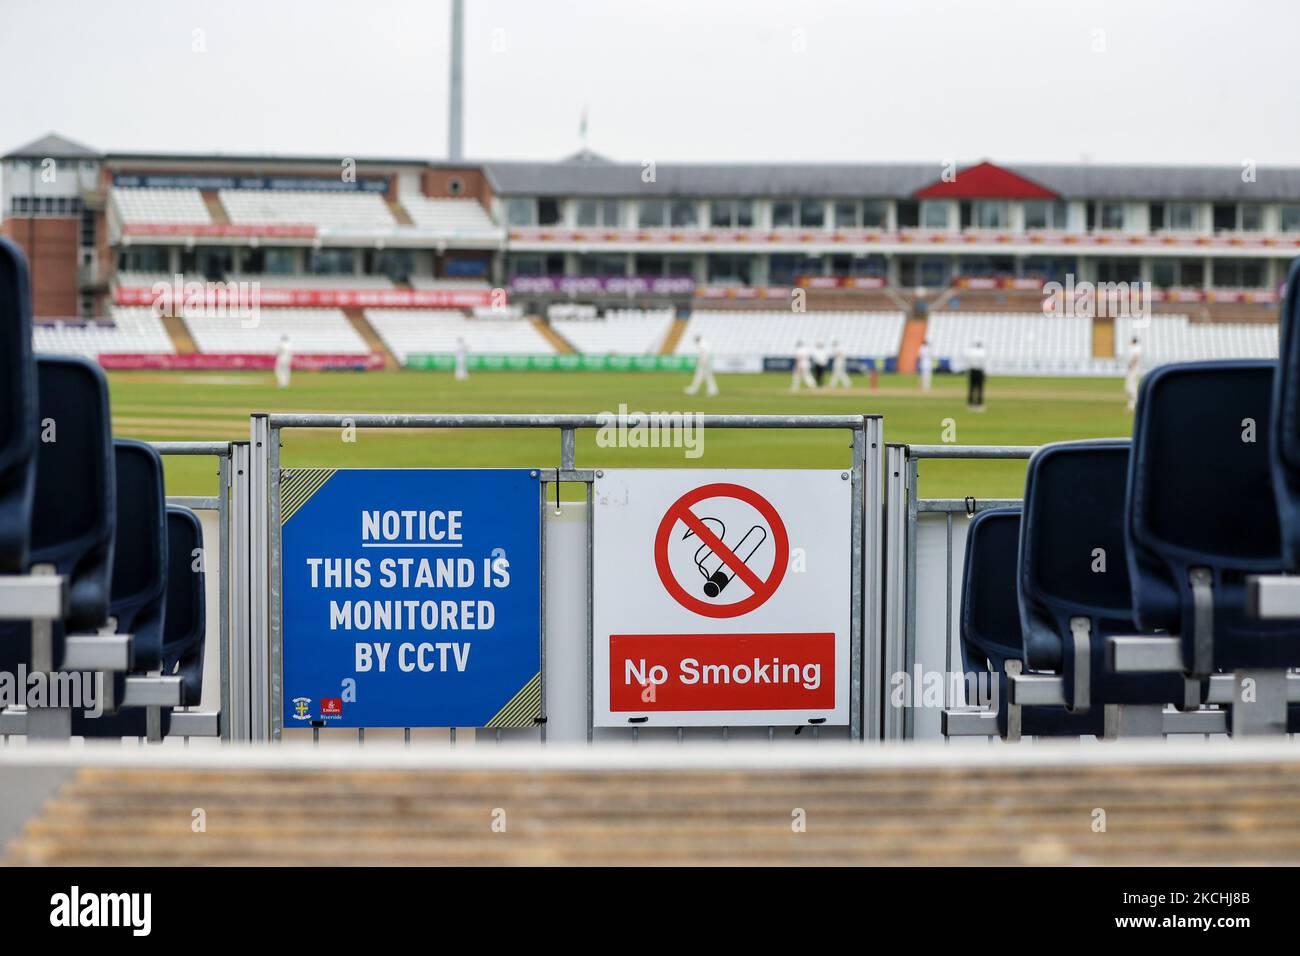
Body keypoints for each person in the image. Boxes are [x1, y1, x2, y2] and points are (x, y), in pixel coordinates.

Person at [965, 339, 986, 410]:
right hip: (979, 371)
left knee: (971, 388)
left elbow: (968, 363)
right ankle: (979, 403)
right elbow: (983, 364)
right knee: (980, 388)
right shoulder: (983, 352)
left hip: (972, 371)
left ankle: (970, 403)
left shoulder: (971, 352)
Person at [1124, 335, 1142, 411]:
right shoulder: (1135, 348)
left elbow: (1135, 357)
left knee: (1131, 387)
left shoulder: (1136, 348)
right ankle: (1132, 404)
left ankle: (1137, 402)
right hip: (1133, 369)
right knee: (1129, 387)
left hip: (1133, 369)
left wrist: (1131, 366)